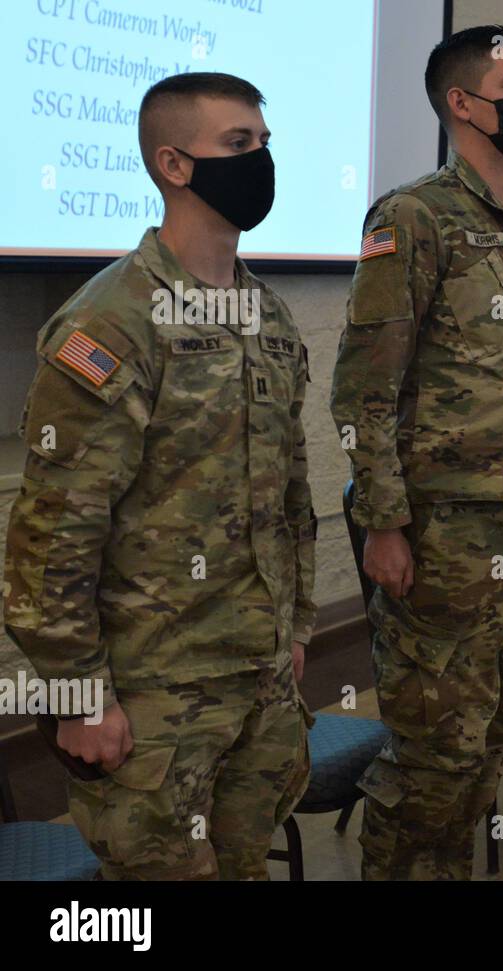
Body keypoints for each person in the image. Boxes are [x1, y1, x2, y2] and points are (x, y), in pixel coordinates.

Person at [3, 72, 315, 879]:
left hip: (258, 678)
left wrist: (297, 630)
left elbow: (292, 497)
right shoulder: (112, 319)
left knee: (245, 863)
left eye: (265, 143)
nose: (261, 161)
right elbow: (53, 533)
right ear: (174, 165)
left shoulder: (267, 315)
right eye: (238, 145)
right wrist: (78, 694)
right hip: (153, 692)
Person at [330, 25, 503, 880]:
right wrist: (384, 521)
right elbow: (363, 389)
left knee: (495, 729)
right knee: (433, 753)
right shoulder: (413, 216)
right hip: (440, 532)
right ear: (462, 104)